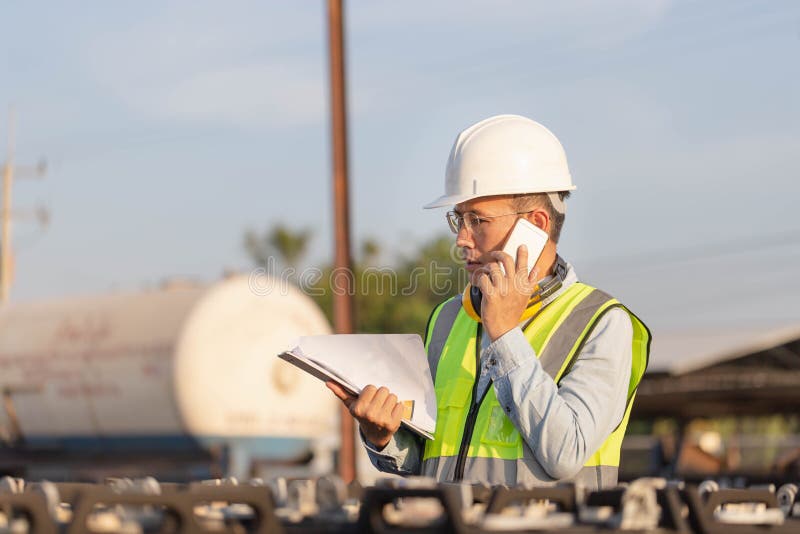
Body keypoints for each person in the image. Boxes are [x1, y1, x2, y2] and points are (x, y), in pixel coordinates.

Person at [327, 114, 651, 489]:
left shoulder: (600, 322)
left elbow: (566, 453)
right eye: (458, 219)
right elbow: (431, 462)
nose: (461, 240)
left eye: (478, 221)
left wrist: (506, 335)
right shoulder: (449, 318)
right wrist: (383, 437)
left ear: (537, 225)